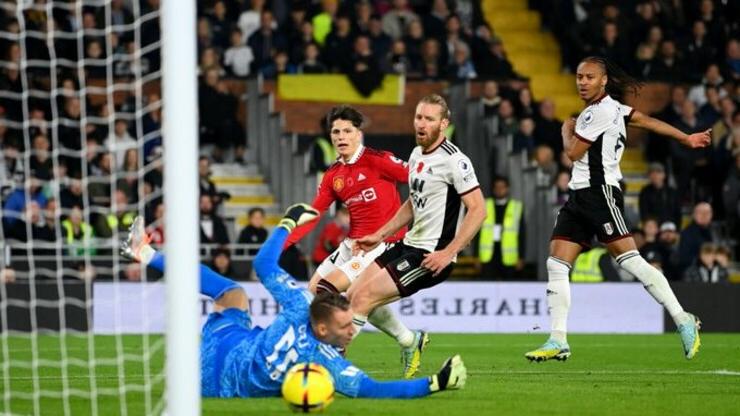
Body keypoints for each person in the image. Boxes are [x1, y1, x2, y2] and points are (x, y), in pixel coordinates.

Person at [120, 207, 466, 398]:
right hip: (215, 388)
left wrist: (287, 223)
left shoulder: (301, 304)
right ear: (321, 327)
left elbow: (263, 265)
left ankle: (145, 253)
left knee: (231, 293)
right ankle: (145, 251)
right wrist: (435, 383)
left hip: (221, 349)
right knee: (234, 298)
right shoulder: (326, 360)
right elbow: (373, 390)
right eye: (346, 327)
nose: (352, 332)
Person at [524, 56, 709, 362]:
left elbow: (572, 153)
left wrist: (565, 131)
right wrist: (685, 136)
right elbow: (648, 122)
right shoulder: (615, 110)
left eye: (590, 77)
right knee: (557, 263)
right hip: (577, 198)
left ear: (604, 80)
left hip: (600, 195)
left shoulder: (599, 112)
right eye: (580, 76)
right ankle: (558, 340)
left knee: (631, 261)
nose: (583, 82)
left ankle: (682, 318)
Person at [284, 105, 423, 379]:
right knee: (318, 291)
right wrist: (283, 241)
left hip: (383, 244)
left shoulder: (378, 160)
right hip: (353, 245)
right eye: (336, 131)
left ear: (358, 134)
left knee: (330, 287)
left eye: (347, 130)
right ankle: (409, 340)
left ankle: (334, 356)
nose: (341, 136)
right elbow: (314, 214)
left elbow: (420, 181)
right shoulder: (333, 175)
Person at [350, 94, 486, 346]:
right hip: (408, 245)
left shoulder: (455, 161)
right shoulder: (416, 154)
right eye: (419, 117)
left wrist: (449, 252)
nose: (421, 124)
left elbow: (478, 209)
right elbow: (413, 201)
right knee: (353, 294)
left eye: (429, 119)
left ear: (443, 124)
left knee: (363, 298)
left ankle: (331, 364)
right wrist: (379, 235)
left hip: (430, 256)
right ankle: (410, 341)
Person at [478, 176, 525, 280]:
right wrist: (476, 256)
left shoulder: (516, 206)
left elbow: (522, 235)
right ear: (493, 189)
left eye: (502, 187)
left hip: (509, 257)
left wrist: (521, 257)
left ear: (507, 188)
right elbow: (477, 232)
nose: (499, 190)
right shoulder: (485, 205)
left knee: (509, 288)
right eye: (497, 187)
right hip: (488, 255)